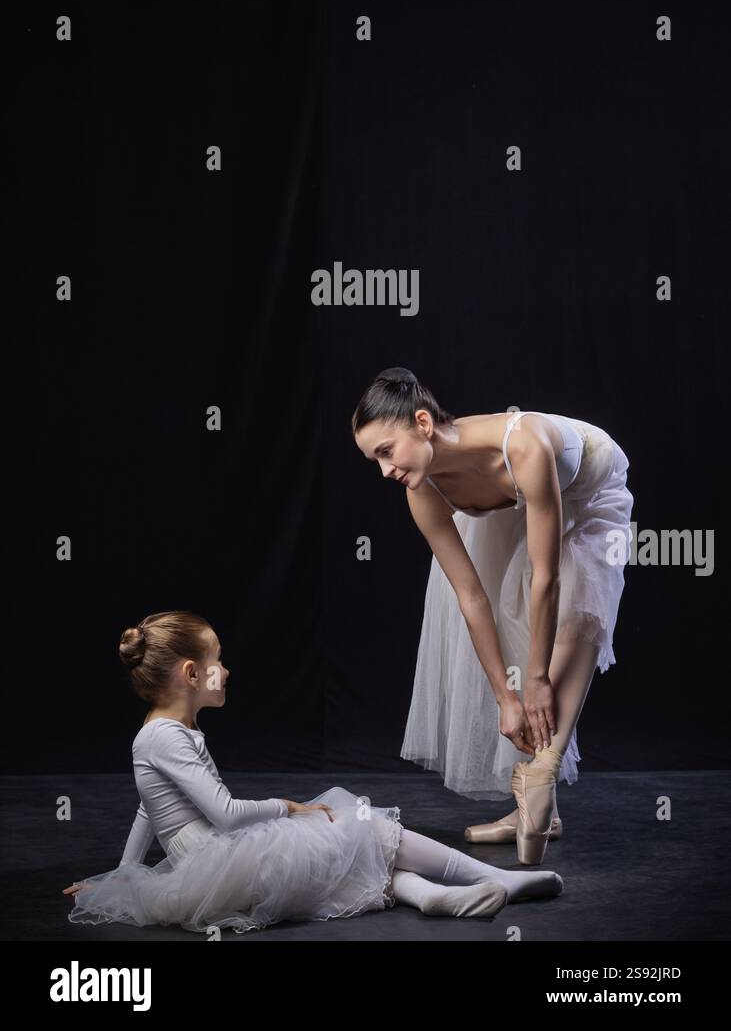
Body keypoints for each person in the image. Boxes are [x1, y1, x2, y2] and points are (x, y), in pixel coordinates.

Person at [63, 611, 563, 934]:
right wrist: (287, 807)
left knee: (352, 852)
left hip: (213, 869)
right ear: (191, 674)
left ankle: (432, 897)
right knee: (361, 823)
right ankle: (497, 876)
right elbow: (225, 813)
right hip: (220, 863)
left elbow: (146, 811)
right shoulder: (165, 737)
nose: (227, 670)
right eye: (218, 661)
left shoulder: (165, 732)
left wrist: (123, 874)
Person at [352, 368, 634, 864]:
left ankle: (540, 775)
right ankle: (536, 800)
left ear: (422, 423)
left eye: (386, 452)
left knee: (581, 610)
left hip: (588, 489)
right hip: (515, 502)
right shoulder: (422, 491)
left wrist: (539, 677)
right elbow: (470, 596)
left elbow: (547, 577)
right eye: (374, 460)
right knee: (508, 624)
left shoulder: (521, 442)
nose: (384, 472)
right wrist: (506, 695)